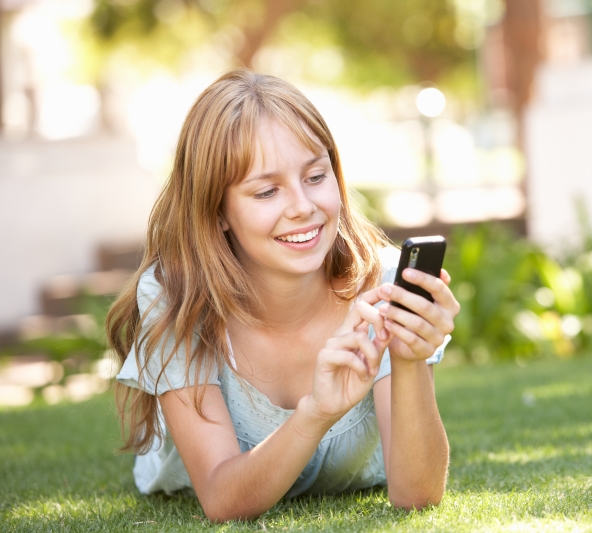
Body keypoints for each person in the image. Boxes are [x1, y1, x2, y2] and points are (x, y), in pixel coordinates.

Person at [106, 69, 459, 523]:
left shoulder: (383, 285)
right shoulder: (176, 297)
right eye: (267, 191)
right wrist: (316, 413)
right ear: (217, 213)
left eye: (315, 176)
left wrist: (409, 359)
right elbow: (222, 499)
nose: (302, 206)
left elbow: (418, 495)